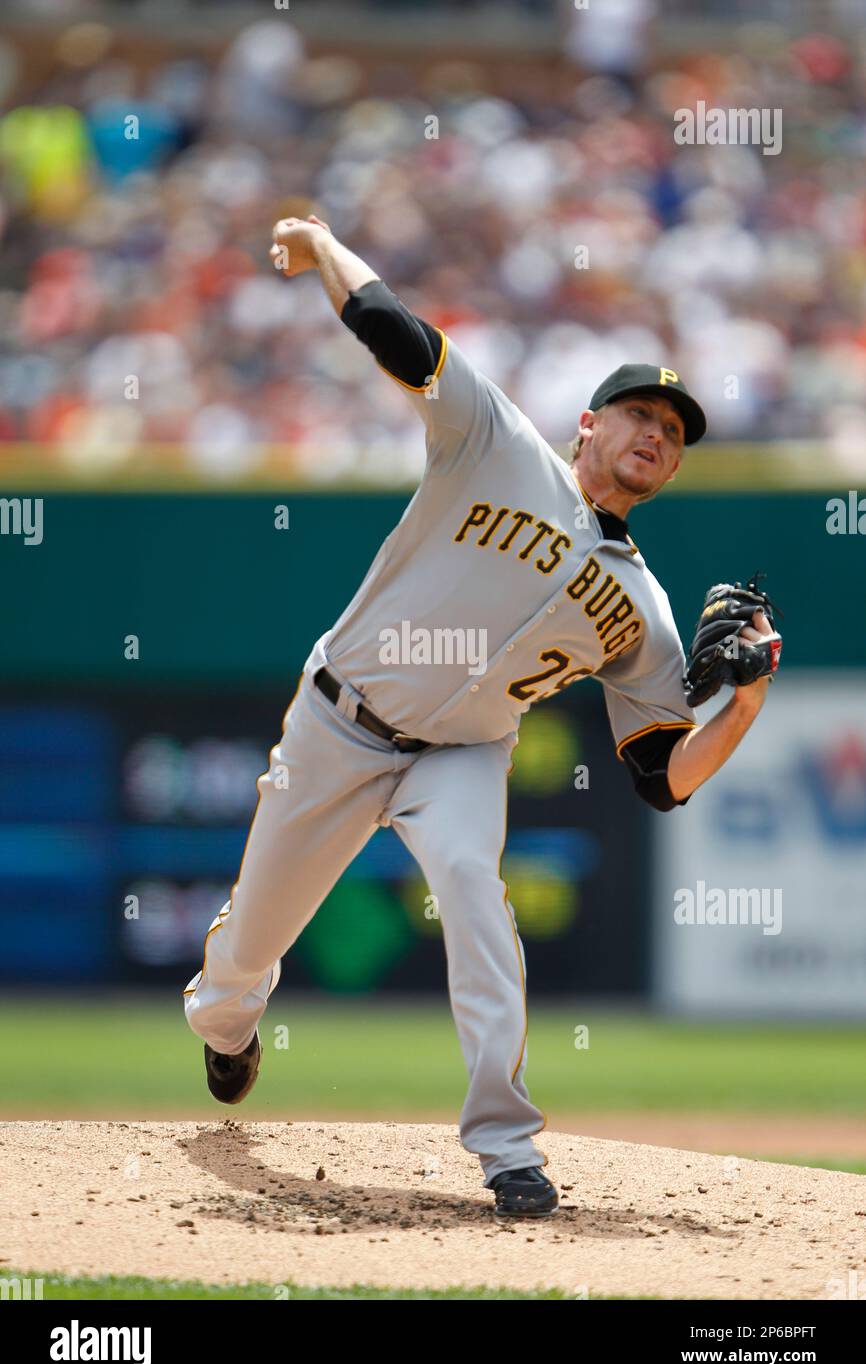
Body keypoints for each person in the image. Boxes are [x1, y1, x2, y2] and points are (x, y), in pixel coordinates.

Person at [182, 214, 781, 1220]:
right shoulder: (494, 439)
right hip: (338, 720)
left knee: (470, 886)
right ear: (588, 423)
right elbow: (390, 329)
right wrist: (325, 247)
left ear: (672, 469)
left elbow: (661, 775)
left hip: (460, 753)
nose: (654, 436)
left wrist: (746, 701)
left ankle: (506, 1148)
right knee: (245, 953)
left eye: (671, 434)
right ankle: (226, 1024)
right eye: (638, 414)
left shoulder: (642, 611)